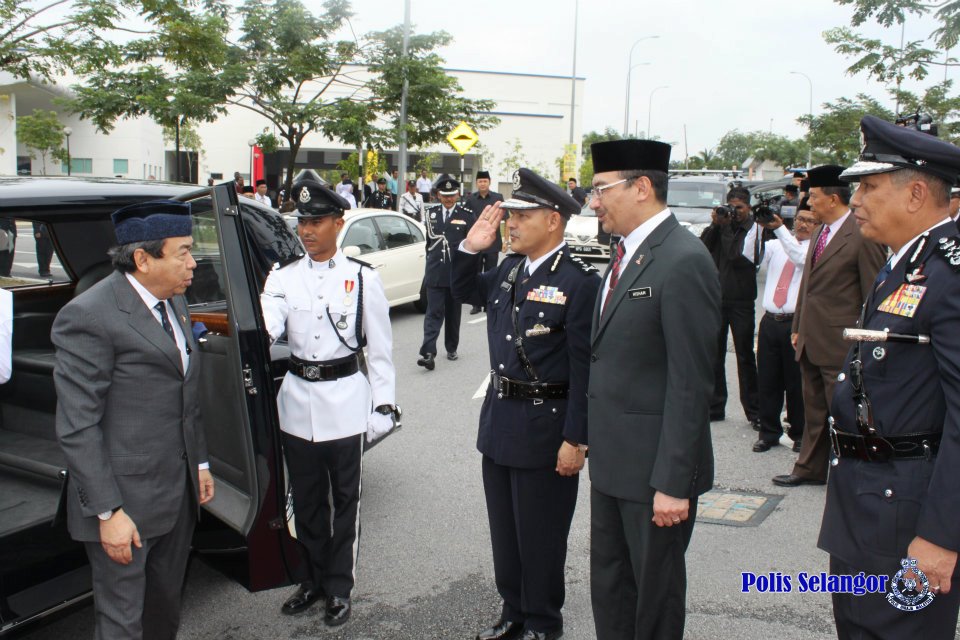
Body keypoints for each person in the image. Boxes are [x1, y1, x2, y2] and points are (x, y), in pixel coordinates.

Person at [819, 114, 960, 639]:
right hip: (866, 501)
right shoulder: (903, 264)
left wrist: (942, 537)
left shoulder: (948, 274)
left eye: (869, 186)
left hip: (909, 514)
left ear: (916, 193)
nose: (855, 199)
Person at [52, 200, 214, 639]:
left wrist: (198, 463)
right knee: (122, 620)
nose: (192, 262)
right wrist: (108, 512)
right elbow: (77, 425)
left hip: (174, 496)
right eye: (181, 252)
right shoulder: (90, 315)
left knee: (164, 608)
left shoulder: (173, 302)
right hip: (123, 503)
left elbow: (185, 394)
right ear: (143, 259)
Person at [452, 168, 600, 640]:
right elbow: (461, 291)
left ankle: (542, 622)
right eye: (509, 215)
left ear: (553, 221)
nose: (510, 224)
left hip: (546, 426)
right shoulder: (510, 269)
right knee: (506, 533)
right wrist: (470, 250)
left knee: (541, 535)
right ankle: (513, 611)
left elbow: (585, 371)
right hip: (500, 421)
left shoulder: (579, 284)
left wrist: (576, 438)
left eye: (522, 215)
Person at [587, 139, 721, 640]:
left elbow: (691, 383)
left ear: (642, 188)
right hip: (615, 466)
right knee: (613, 589)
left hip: (654, 476)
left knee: (655, 602)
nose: (594, 200)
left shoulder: (683, 259)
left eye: (602, 189)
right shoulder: (627, 253)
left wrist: (672, 481)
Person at [260, 179, 397, 626]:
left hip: (346, 404)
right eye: (302, 222)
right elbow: (269, 324)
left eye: (316, 221)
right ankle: (312, 580)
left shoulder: (361, 278)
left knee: (346, 504)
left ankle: (340, 587)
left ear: (339, 224)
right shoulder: (282, 278)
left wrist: (383, 407)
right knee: (306, 501)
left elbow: (379, 351)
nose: (306, 230)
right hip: (297, 403)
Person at [772, 164, 887, 487]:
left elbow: (872, 294)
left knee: (845, 411)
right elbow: (808, 285)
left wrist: (865, 341)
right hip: (811, 337)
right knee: (815, 411)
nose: (809, 204)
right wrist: (798, 324)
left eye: (814, 197)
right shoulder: (822, 231)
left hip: (841, 341)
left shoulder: (861, 234)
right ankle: (809, 468)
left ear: (834, 199)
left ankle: (848, 473)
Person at [742, 199, 817, 452]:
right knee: (768, 378)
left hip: (794, 322)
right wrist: (758, 226)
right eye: (800, 219)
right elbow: (750, 255)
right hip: (770, 320)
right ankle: (769, 431)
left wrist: (779, 229)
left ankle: (798, 432)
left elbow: (799, 258)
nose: (803, 225)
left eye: (809, 221)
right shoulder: (775, 244)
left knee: (795, 381)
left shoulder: (815, 250)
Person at [700, 186, 760, 427]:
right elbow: (702, 247)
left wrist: (726, 228)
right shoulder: (721, 225)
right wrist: (716, 225)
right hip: (717, 298)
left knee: (745, 356)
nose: (734, 212)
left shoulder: (754, 229)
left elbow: (735, 255)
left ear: (748, 208)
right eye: (730, 207)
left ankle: (753, 410)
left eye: (739, 208)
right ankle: (715, 406)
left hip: (742, 300)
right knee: (714, 354)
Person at [417, 175, 475, 370]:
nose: (448, 199)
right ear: (438, 195)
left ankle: (451, 347)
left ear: (457, 195)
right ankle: (428, 352)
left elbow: (471, 244)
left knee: (452, 314)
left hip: (456, 273)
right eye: (444, 195)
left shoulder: (467, 214)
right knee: (433, 313)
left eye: (452, 195)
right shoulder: (430, 213)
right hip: (435, 272)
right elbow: (428, 243)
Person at [463, 171, 505, 314]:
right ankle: (476, 304)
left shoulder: (498, 198)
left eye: (485, 181)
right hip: (476, 243)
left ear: (489, 182)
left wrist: (506, 241)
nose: (482, 184)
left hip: (493, 242)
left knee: (491, 273)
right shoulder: (470, 199)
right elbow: (466, 222)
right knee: (475, 272)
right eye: (480, 181)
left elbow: (506, 219)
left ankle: (489, 302)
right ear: (476, 183)